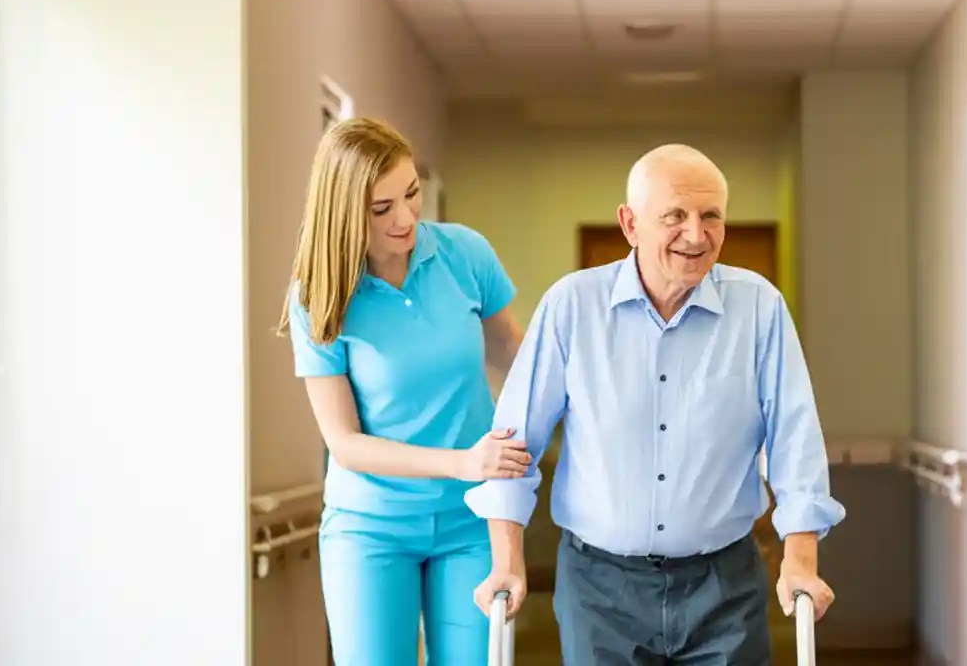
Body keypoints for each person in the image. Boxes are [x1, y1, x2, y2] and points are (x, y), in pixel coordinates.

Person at [465, 144, 846, 664]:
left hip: (725, 586)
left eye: (711, 216)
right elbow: (516, 443)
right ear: (630, 224)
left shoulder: (758, 308)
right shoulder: (572, 307)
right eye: (675, 217)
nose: (696, 234)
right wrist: (506, 558)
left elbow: (794, 439)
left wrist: (800, 556)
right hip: (600, 590)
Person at [278, 117, 529, 665]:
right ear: (345, 212)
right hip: (370, 528)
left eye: (411, 193)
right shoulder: (318, 295)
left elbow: (514, 350)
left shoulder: (464, 255)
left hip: (469, 521)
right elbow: (344, 443)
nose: (407, 217)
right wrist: (461, 462)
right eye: (381, 207)